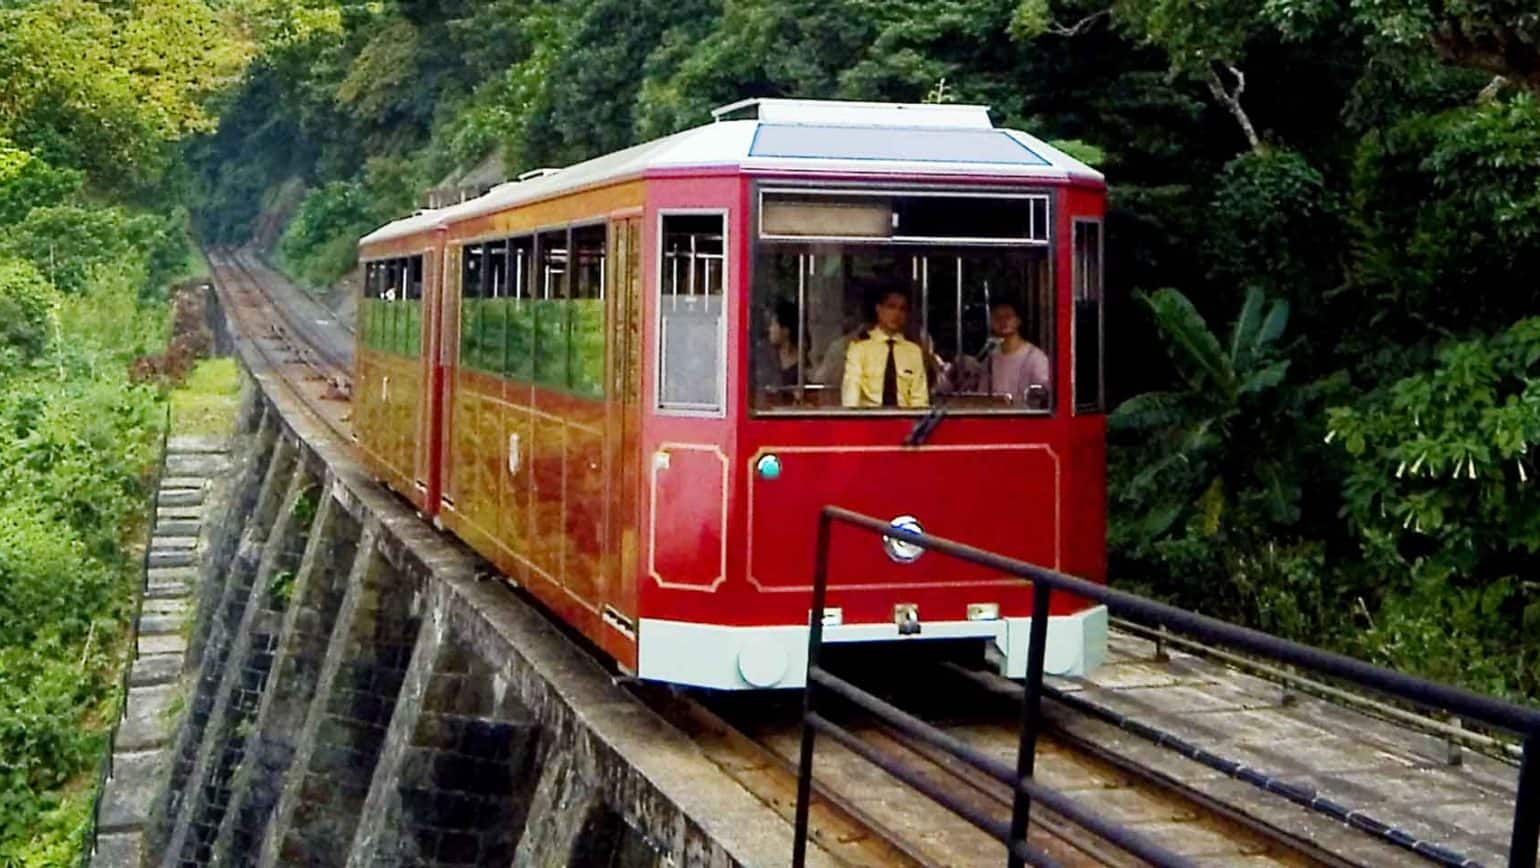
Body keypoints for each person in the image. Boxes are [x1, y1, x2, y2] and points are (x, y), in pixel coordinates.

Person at [841, 290, 930, 408]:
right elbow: (851, 393)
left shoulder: (913, 352)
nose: (896, 314)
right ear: (879, 309)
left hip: (905, 420)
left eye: (902, 309)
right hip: (869, 420)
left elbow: (919, 398)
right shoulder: (860, 348)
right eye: (891, 307)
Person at [979, 300, 1050, 406]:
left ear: (1018, 320)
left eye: (1008, 316)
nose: (1003, 321)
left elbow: (1043, 395)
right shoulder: (991, 357)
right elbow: (982, 395)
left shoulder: (1035, 357)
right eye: (997, 317)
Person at [754, 300, 805, 391]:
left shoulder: (803, 365)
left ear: (785, 330)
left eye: (773, 324)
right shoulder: (764, 357)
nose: (770, 329)